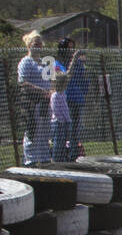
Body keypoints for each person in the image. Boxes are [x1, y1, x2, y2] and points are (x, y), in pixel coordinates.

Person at [17, 31, 53, 163]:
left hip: (45, 102)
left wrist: (51, 91)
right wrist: (42, 91)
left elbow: (51, 80)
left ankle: (44, 158)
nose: (38, 45)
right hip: (32, 101)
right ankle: (30, 160)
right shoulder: (26, 62)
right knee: (32, 131)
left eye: (40, 43)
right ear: (29, 45)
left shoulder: (44, 63)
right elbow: (23, 82)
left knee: (44, 130)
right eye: (35, 43)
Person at [56, 40, 88, 158]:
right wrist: (73, 61)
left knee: (75, 130)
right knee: (64, 129)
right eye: (67, 48)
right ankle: (62, 155)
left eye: (72, 48)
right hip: (65, 99)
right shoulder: (57, 63)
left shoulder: (78, 63)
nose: (70, 51)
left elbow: (83, 79)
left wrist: (83, 93)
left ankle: (74, 155)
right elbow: (65, 76)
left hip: (77, 98)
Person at [49, 71, 72, 162]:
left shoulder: (63, 94)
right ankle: (56, 159)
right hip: (57, 122)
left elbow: (65, 108)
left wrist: (67, 119)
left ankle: (62, 158)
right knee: (58, 142)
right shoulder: (55, 95)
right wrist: (61, 120)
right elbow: (56, 109)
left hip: (65, 121)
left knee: (63, 142)